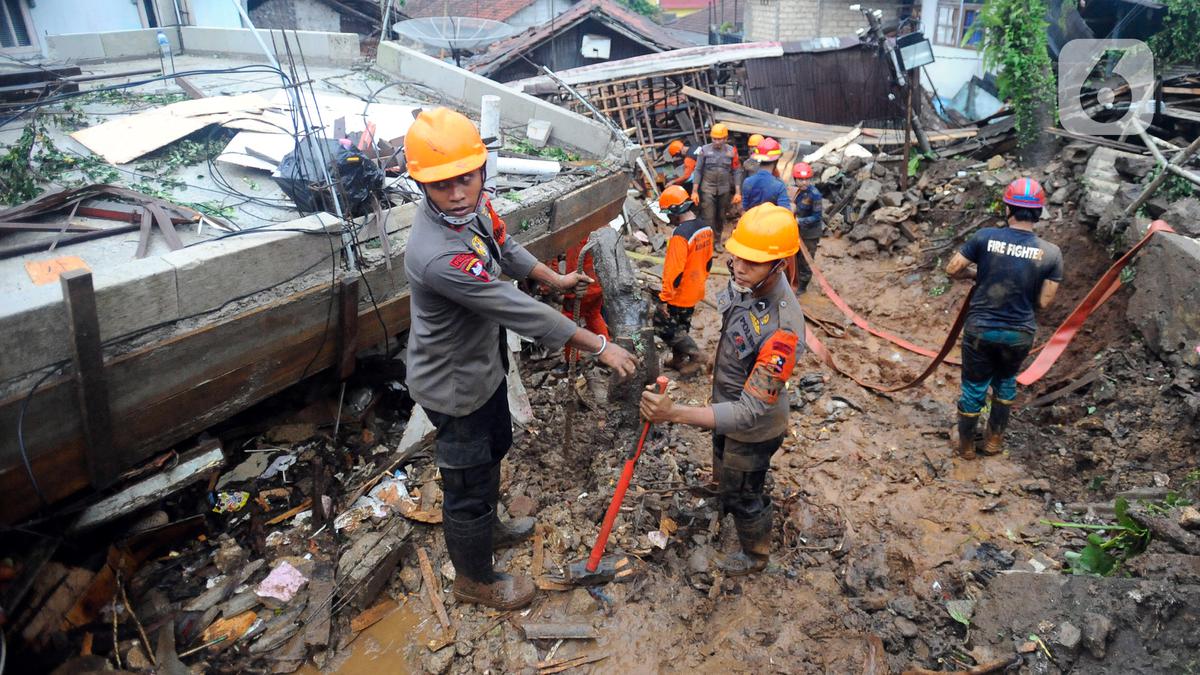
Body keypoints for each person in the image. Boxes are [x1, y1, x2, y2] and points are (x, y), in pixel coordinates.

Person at [403, 108, 638, 610]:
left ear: (481, 170)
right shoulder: (437, 255)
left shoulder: (474, 209)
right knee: (467, 484)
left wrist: (551, 278)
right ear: (423, 185)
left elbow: (505, 248)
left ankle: (489, 528)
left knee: (496, 445)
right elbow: (514, 308)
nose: (458, 191)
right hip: (452, 383)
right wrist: (598, 344)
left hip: (481, 364)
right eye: (443, 185)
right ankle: (473, 578)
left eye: (466, 178)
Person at [640, 204, 804, 575]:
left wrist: (674, 413)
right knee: (722, 459)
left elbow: (748, 412)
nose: (739, 268)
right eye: (737, 257)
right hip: (725, 411)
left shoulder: (783, 330)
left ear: (779, 263)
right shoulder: (747, 283)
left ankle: (754, 555)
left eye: (753, 262)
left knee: (746, 494)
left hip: (752, 429)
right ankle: (721, 489)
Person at [944, 177, 1062, 459]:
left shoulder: (985, 238)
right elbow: (1045, 302)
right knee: (1006, 383)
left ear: (1008, 208)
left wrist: (978, 274)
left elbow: (952, 269)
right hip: (1019, 333)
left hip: (981, 331)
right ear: (1038, 212)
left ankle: (967, 447)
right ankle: (994, 441)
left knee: (974, 387)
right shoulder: (1051, 253)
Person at [654, 185, 714, 376]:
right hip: (696, 288)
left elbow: (674, 271)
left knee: (663, 326)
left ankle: (697, 355)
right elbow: (709, 261)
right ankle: (679, 359)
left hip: (679, 293)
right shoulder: (705, 227)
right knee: (682, 325)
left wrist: (664, 298)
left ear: (674, 211)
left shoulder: (680, 235)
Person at [691, 123, 743, 244]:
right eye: (714, 139)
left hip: (724, 190)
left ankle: (717, 241)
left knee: (721, 217)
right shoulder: (704, 150)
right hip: (707, 189)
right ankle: (709, 243)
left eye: (719, 139)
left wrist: (737, 192)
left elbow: (736, 171)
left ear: (725, 139)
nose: (716, 142)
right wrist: (694, 191)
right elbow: (698, 170)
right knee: (708, 218)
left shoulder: (732, 152)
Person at [559, 238, 609, 362]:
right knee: (593, 315)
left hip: (583, 286)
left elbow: (574, 265)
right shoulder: (603, 225)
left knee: (569, 320)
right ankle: (608, 353)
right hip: (598, 283)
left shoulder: (579, 233)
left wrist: (568, 289)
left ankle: (572, 362)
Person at [791, 162, 823, 294]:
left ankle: (802, 287)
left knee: (806, 260)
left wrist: (799, 221)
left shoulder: (815, 194)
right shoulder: (795, 192)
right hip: (797, 232)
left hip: (810, 234)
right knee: (795, 257)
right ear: (795, 179)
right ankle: (795, 280)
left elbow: (817, 216)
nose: (804, 182)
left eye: (806, 179)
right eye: (800, 180)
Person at [740, 137, 790, 211]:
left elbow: (744, 208)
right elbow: (785, 212)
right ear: (776, 161)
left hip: (752, 221)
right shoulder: (779, 186)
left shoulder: (747, 182)